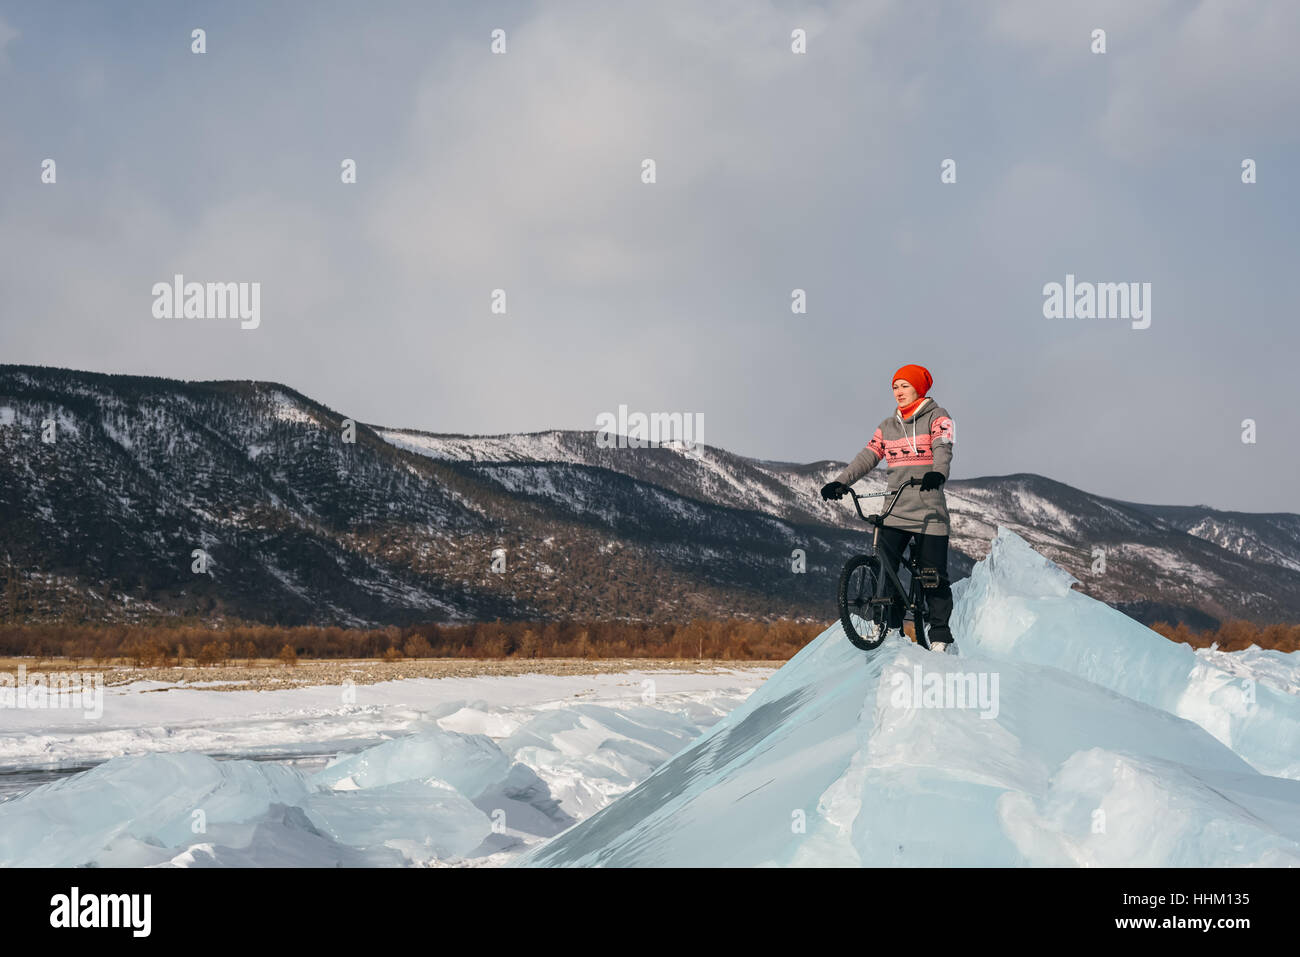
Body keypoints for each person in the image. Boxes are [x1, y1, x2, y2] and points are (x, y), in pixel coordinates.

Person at [820, 364, 956, 653]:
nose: (898, 392)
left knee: (932, 575)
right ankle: (891, 627)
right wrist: (840, 482)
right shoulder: (887, 426)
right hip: (894, 510)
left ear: (919, 388)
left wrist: (938, 474)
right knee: (885, 568)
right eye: (895, 387)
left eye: (904, 386)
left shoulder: (939, 417)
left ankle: (940, 637)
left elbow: (943, 448)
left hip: (929, 514)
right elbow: (867, 456)